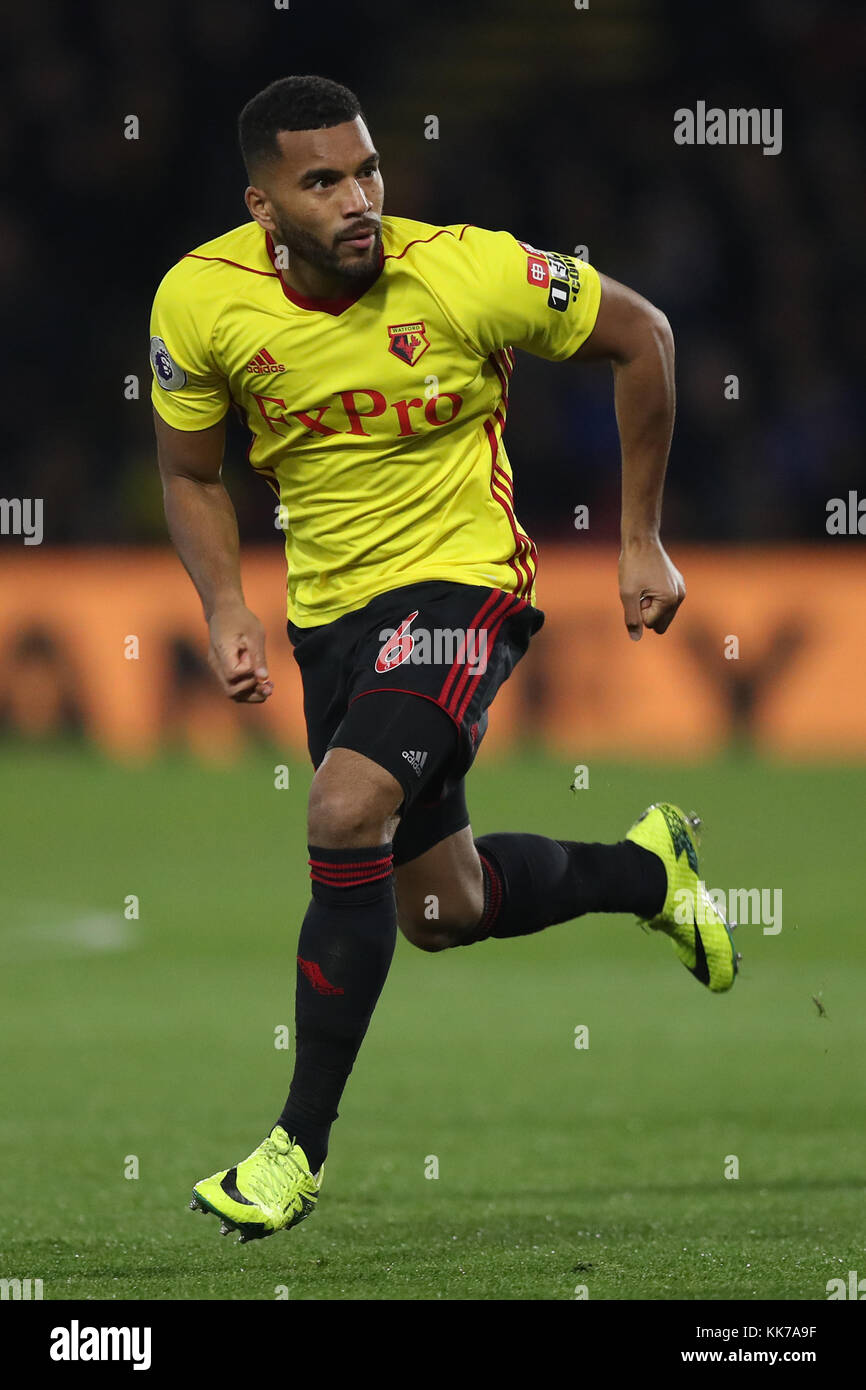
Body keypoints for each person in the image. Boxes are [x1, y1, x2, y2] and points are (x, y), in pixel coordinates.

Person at [150, 74, 739, 1245]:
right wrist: (224, 606)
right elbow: (189, 471)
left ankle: (293, 1149)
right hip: (330, 624)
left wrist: (637, 539)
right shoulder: (196, 302)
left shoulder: (465, 269)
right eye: (322, 181)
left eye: (366, 168)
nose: (358, 197)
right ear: (263, 205)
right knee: (442, 908)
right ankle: (647, 872)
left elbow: (643, 337)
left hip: (464, 587)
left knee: (340, 808)